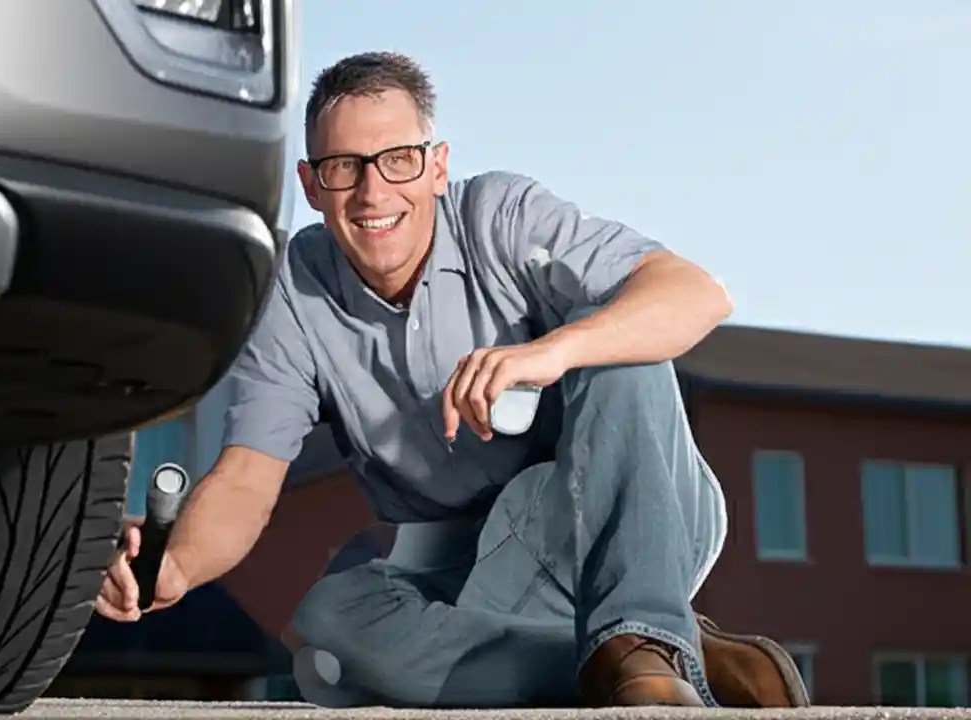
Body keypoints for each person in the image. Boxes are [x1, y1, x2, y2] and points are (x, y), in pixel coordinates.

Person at [97, 51, 809, 710]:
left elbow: (699, 293)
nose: (374, 191)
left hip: (609, 520)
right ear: (312, 186)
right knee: (330, 627)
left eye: (398, 160)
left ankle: (644, 633)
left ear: (437, 167)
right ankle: (654, 661)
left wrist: (552, 351)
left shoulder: (501, 216)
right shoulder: (292, 294)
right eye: (345, 167)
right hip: (469, 566)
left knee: (615, 329)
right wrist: (180, 566)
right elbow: (249, 478)